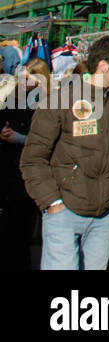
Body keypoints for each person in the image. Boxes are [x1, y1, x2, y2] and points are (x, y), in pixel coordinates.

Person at [20, 35, 109, 270]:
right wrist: (52, 202)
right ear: (103, 66)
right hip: (64, 210)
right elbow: (32, 158)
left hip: (106, 211)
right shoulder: (62, 100)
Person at [0, 58, 50, 269]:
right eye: (21, 77)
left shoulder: (46, 105)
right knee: (10, 231)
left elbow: (49, 141)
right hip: (8, 172)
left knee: (22, 230)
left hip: (31, 174)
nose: (23, 82)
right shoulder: (12, 100)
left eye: (28, 78)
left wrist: (18, 138)